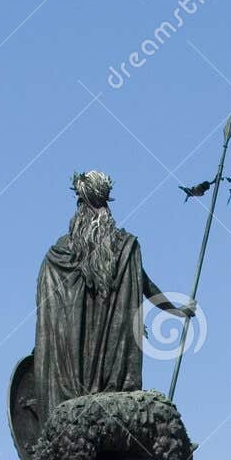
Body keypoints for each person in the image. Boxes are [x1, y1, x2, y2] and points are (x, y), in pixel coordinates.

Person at [32, 170, 194, 427]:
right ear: (105, 206)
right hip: (109, 377)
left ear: (80, 207)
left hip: (74, 382)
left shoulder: (60, 255)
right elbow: (148, 287)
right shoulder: (120, 247)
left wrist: (176, 310)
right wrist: (177, 310)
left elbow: (144, 285)